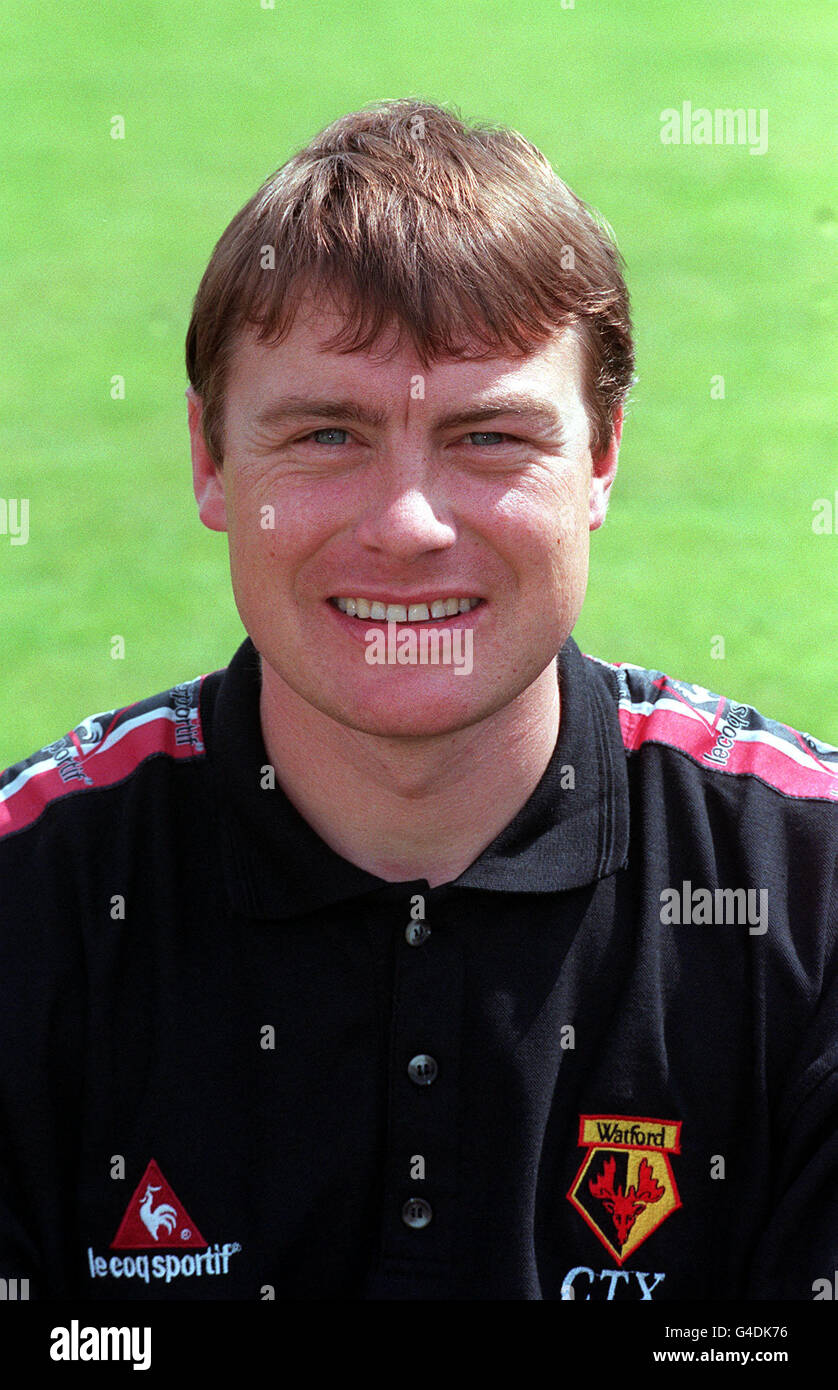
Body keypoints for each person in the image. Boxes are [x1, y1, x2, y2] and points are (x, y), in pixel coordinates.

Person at [1, 97, 836, 1303]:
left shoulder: (801, 897)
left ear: (600, 459)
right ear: (209, 460)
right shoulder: (33, 904)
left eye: (489, 437)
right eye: (327, 434)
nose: (406, 524)